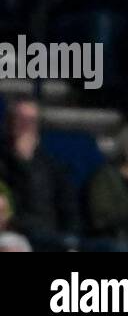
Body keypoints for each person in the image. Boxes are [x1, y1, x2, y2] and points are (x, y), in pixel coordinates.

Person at [0, 97, 81, 251]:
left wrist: (71, 236)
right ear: (10, 123)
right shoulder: (4, 160)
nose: (26, 126)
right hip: (15, 232)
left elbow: (68, 205)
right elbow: (12, 205)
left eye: (32, 121)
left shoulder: (51, 163)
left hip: (50, 234)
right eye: (21, 120)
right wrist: (22, 163)